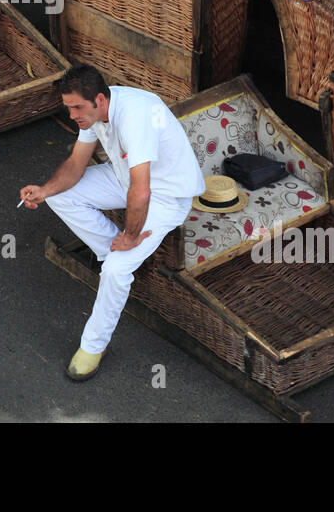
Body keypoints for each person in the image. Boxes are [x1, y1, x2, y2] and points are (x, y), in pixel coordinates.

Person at [20, 64, 203, 381]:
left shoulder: (135, 116)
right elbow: (77, 164)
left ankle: (94, 346)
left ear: (100, 100)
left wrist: (131, 237)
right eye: (69, 108)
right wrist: (44, 191)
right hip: (125, 179)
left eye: (77, 107)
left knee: (117, 269)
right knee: (61, 196)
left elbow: (142, 191)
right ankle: (114, 253)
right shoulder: (92, 113)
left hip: (165, 195)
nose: (73, 114)